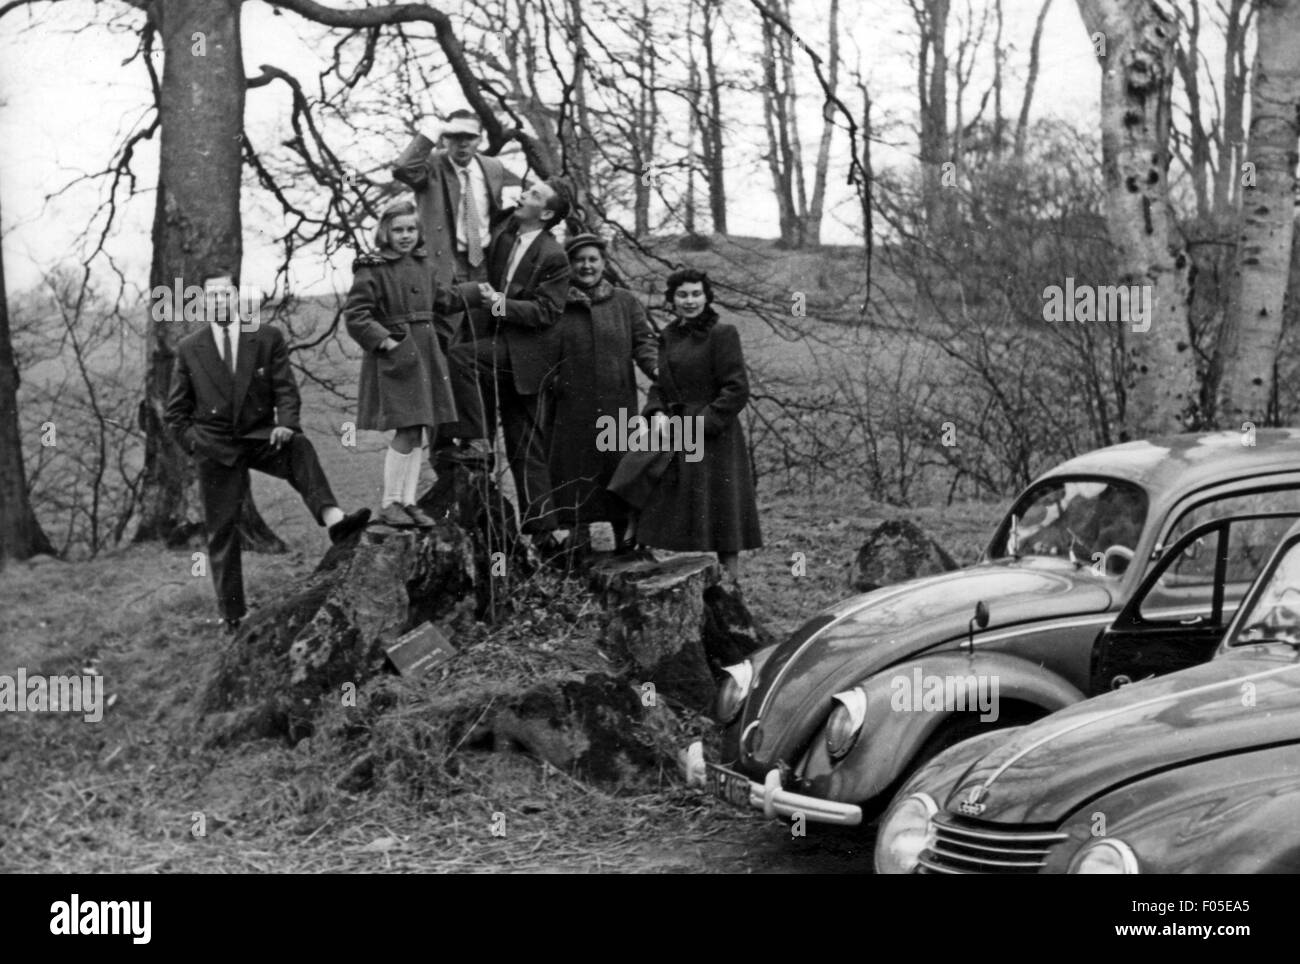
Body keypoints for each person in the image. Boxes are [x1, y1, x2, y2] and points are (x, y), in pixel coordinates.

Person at [165, 277, 371, 634]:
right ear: (202, 303)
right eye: (210, 296)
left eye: (224, 294)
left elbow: (285, 390)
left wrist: (286, 424)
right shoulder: (190, 348)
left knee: (299, 447)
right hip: (215, 445)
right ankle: (232, 615)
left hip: (261, 435)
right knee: (222, 530)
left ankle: (335, 519)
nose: (218, 301)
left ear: (236, 298)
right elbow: (175, 414)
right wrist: (196, 445)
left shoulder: (266, 337)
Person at [446, 178, 572, 551]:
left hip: (529, 357)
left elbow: (547, 312)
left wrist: (498, 303)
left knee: (526, 445)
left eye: (533, 195)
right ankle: (477, 440)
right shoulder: (506, 238)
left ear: (546, 214)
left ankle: (543, 531)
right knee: (464, 358)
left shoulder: (553, 255)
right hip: (501, 349)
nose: (522, 195)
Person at [631, 268, 761, 576]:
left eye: (696, 294)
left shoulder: (722, 333)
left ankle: (730, 584)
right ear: (672, 299)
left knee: (722, 514)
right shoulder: (669, 335)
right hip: (675, 430)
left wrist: (700, 425)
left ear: (706, 297)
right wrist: (656, 412)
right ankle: (644, 571)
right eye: (682, 295)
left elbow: (736, 389)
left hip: (715, 435)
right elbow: (660, 385)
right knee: (642, 484)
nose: (690, 301)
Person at [343, 197, 462, 528]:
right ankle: (389, 502)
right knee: (406, 429)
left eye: (411, 229)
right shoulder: (373, 267)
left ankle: (408, 502)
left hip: (425, 354)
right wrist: (387, 342)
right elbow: (356, 314)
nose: (406, 235)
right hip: (396, 355)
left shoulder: (426, 264)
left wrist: (478, 293)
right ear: (385, 232)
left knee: (420, 427)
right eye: (398, 230)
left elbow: (445, 299)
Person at [547, 233, 657, 552]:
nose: (586, 266)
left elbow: (644, 343)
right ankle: (575, 550)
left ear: (604, 264)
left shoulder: (624, 301)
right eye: (579, 260)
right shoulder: (556, 303)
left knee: (620, 472)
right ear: (569, 265)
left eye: (593, 259)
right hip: (570, 409)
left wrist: (658, 370)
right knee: (572, 476)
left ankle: (627, 544)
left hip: (617, 406)